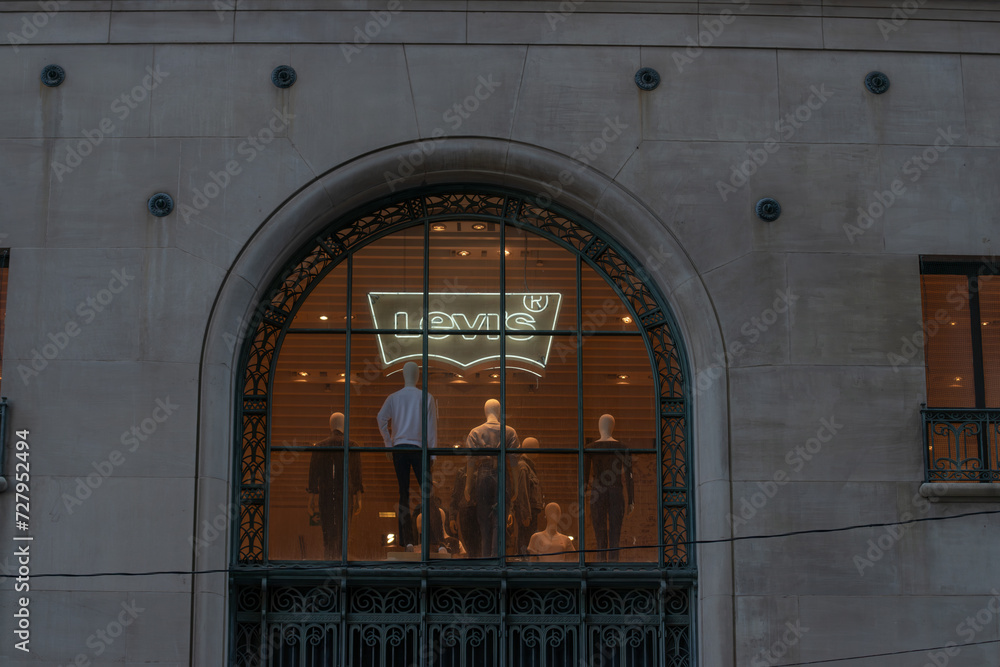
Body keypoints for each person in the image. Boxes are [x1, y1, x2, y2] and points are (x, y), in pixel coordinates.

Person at [377, 361, 437, 549]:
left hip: (400, 449)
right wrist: (433, 455)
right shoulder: (426, 397)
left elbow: (381, 418)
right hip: (420, 449)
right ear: (417, 376)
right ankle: (434, 539)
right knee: (427, 493)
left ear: (403, 376)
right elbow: (432, 429)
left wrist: (389, 444)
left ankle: (407, 540)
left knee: (403, 493)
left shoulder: (394, 398)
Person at [464, 398, 519, 558]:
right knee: (499, 522)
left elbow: (471, 462)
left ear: (485, 411)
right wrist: (515, 485)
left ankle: (485, 559)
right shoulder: (510, 431)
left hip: (483, 475)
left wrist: (468, 486)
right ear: (499, 411)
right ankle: (496, 559)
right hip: (502, 474)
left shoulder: (475, 432)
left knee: (484, 521)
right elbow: (514, 461)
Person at [307, 412, 363, 561]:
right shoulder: (352, 446)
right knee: (344, 531)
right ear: (344, 425)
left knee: (328, 532)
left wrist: (311, 498)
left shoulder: (320, 446)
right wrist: (358, 497)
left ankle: (329, 560)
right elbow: (356, 474)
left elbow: (314, 474)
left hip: (326, 495)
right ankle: (341, 560)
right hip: (345, 495)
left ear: (330, 426)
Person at [584, 414, 634, 562]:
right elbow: (630, 476)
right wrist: (631, 499)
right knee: (615, 536)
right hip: (615, 491)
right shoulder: (623, 448)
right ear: (613, 427)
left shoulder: (590, 448)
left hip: (598, 492)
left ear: (599, 427)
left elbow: (584, 476)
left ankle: (601, 565)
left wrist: (585, 495)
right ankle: (613, 566)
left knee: (600, 535)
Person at [510, 436, 544, 557]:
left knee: (528, 542)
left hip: (530, 512)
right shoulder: (523, 467)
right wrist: (526, 515)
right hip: (528, 513)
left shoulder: (528, 467)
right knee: (525, 541)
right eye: (537, 448)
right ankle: (523, 564)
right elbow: (522, 493)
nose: (539, 451)